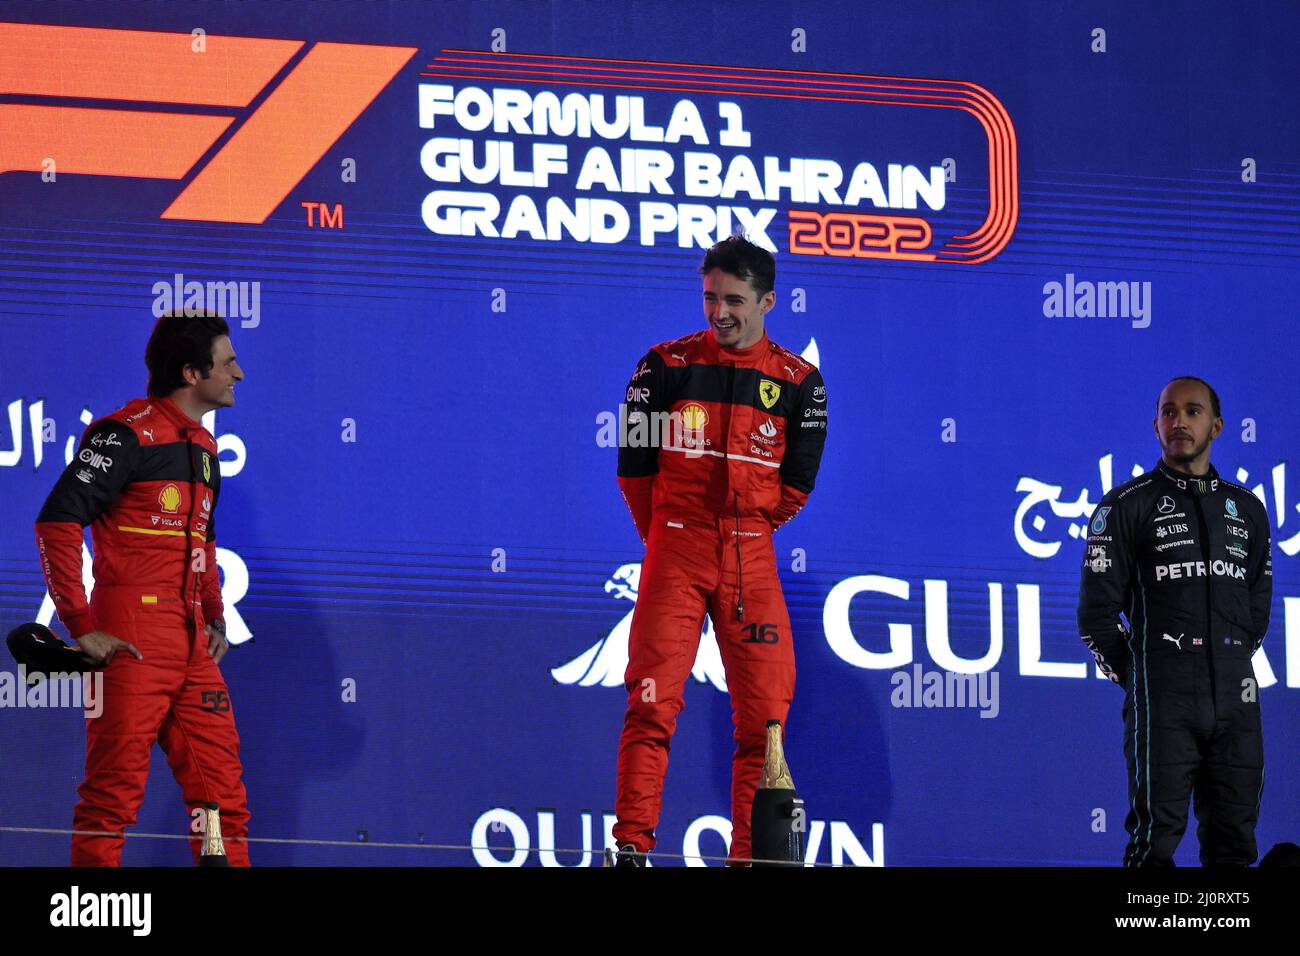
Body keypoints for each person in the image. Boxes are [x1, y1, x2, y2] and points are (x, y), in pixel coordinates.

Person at [612, 235, 828, 866]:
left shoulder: (801, 384)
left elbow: (795, 488)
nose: (720, 313)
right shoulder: (662, 367)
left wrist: (743, 530)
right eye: (710, 298)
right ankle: (631, 848)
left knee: (766, 723)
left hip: (750, 557)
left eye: (734, 300)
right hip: (675, 548)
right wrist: (673, 537)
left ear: (768, 301)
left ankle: (752, 860)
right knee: (650, 702)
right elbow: (634, 471)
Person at [35, 312, 251, 866]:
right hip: (130, 638)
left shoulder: (204, 448)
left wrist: (214, 617)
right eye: (227, 363)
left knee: (221, 804)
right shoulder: (122, 434)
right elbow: (57, 521)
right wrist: (81, 628)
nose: (239, 374)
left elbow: (201, 539)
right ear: (190, 371)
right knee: (111, 800)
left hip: (191, 645)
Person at [1078, 376, 1272, 866]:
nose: (1179, 421)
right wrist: (1146, 675)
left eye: (1192, 411)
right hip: (1163, 700)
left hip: (1236, 699)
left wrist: (1225, 663)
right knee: (1154, 845)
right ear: (1156, 424)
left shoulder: (1247, 509)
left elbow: (1257, 608)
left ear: (1217, 425)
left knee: (1234, 843)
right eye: (1168, 411)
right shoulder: (1125, 505)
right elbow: (1096, 616)